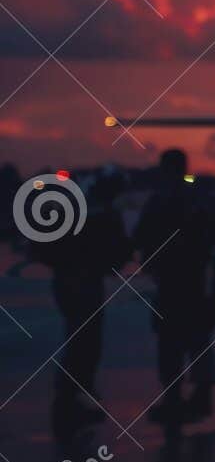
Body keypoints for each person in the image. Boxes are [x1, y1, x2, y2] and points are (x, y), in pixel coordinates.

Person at [132, 149, 215, 427]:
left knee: (170, 342)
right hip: (198, 281)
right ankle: (201, 395)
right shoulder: (202, 198)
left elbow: (140, 236)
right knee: (198, 338)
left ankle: (174, 397)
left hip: (173, 282)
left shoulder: (159, 201)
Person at [32, 170, 132, 438]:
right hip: (82, 284)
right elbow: (118, 252)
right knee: (84, 343)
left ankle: (71, 400)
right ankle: (67, 403)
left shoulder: (72, 210)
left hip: (69, 282)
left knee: (82, 341)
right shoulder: (101, 216)